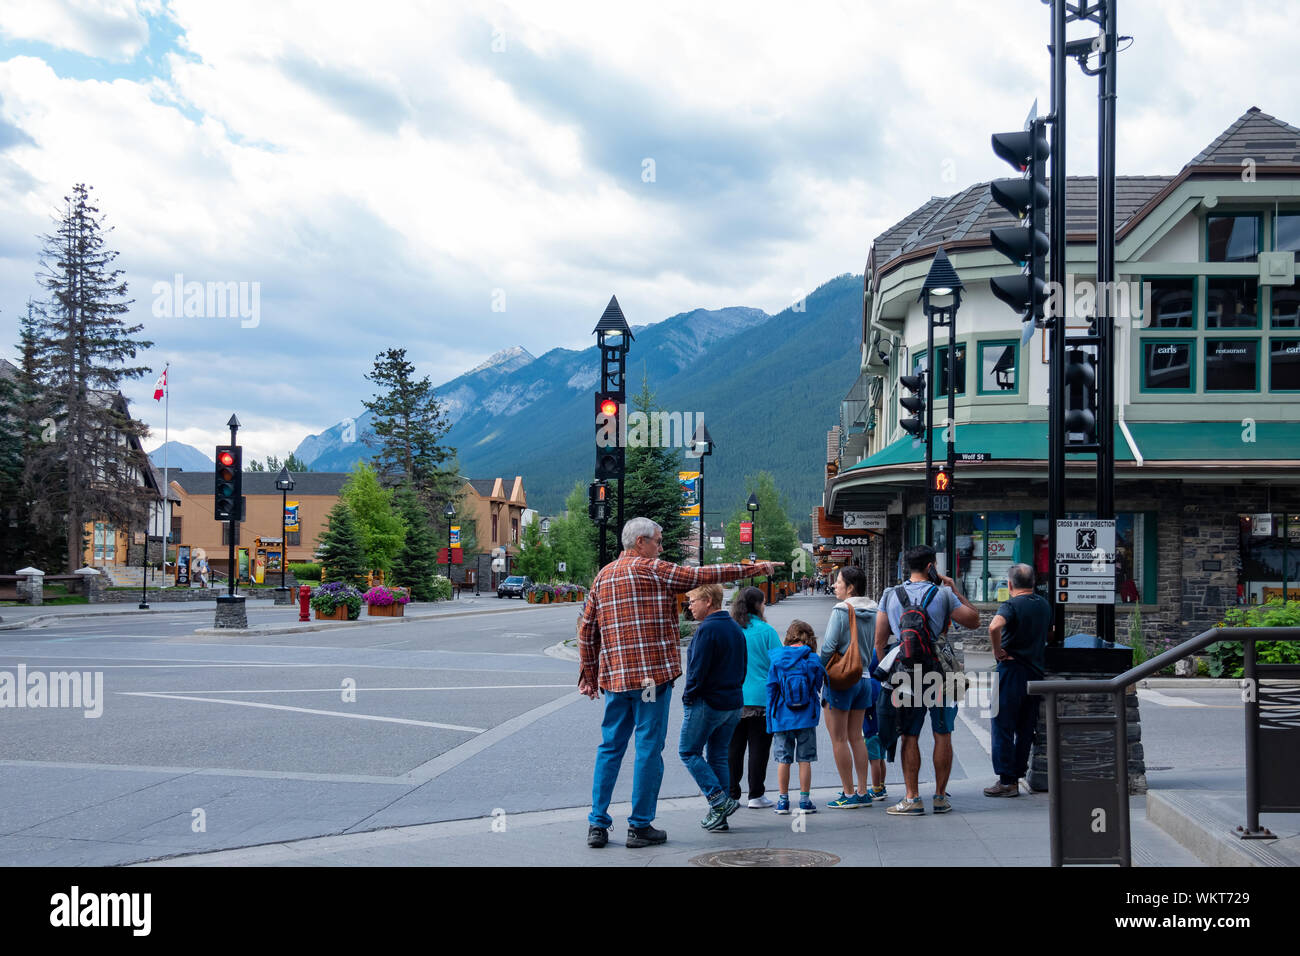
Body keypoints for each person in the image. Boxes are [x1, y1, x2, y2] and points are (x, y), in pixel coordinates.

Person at [577, 517, 777, 849]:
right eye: (658, 541)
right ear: (640, 543)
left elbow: (586, 628)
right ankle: (639, 826)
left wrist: (588, 674)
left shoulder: (603, 576)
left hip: (615, 678)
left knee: (610, 748)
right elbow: (702, 575)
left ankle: (597, 824)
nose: (661, 547)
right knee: (648, 749)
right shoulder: (652, 568)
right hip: (651, 679)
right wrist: (751, 568)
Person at [875, 544, 980, 815]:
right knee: (942, 732)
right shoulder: (944, 594)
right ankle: (941, 797)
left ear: (905, 566)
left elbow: (879, 640)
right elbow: (974, 621)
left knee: (909, 735)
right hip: (941, 670)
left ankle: (912, 798)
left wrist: (894, 665)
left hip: (905, 671)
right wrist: (954, 589)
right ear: (931, 566)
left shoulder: (890, 594)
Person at [679, 583, 747, 831]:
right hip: (733, 701)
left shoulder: (707, 629)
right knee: (718, 755)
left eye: (693, 600)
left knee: (688, 752)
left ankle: (719, 800)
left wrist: (689, 696)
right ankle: (720, 816)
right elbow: (742, 667)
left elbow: (697, 670)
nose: (689, 605)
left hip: (708, 702)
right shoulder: (734, 627)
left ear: (708, 601)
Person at [985, 563, 1052, 797]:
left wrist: (997, 650)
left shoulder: (1011, 604)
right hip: (1035, 672)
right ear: (1033, 582)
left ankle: (1006, 781)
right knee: (1025, 727)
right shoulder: (1044, 605)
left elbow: (994, 626)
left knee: (1002, 724)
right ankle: (1016, 775)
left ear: (1010, 584)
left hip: (1011, 669)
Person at [817, 565, 878, 809]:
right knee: (857, 737)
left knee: (839, 739)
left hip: (841, 680)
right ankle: (863, 791)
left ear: (850, 587)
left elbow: (829, 646)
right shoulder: (874, 610)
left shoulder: (841, 610)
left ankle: (848, 793)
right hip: (863, 678)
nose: (834, 585)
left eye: (838, 582)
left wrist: (819, 671)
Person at [727, 586, 783, 808]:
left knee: (733, 749)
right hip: (762, 699)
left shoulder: (731, 630)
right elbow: (779, 663)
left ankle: (731, 793)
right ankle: (756, 795)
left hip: (734, 698)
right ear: (758, 605)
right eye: (763, 602)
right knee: (759, 749)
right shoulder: (766, 631)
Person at [766, 619, 825, 813]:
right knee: (804, 759)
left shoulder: (777, 658)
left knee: (784, 759)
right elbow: (817, 686)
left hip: (782, 716)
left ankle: (783, 801)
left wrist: (770, 718)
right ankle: (805, 801)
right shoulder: (813, 659)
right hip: (807, 716)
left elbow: (771, 688)